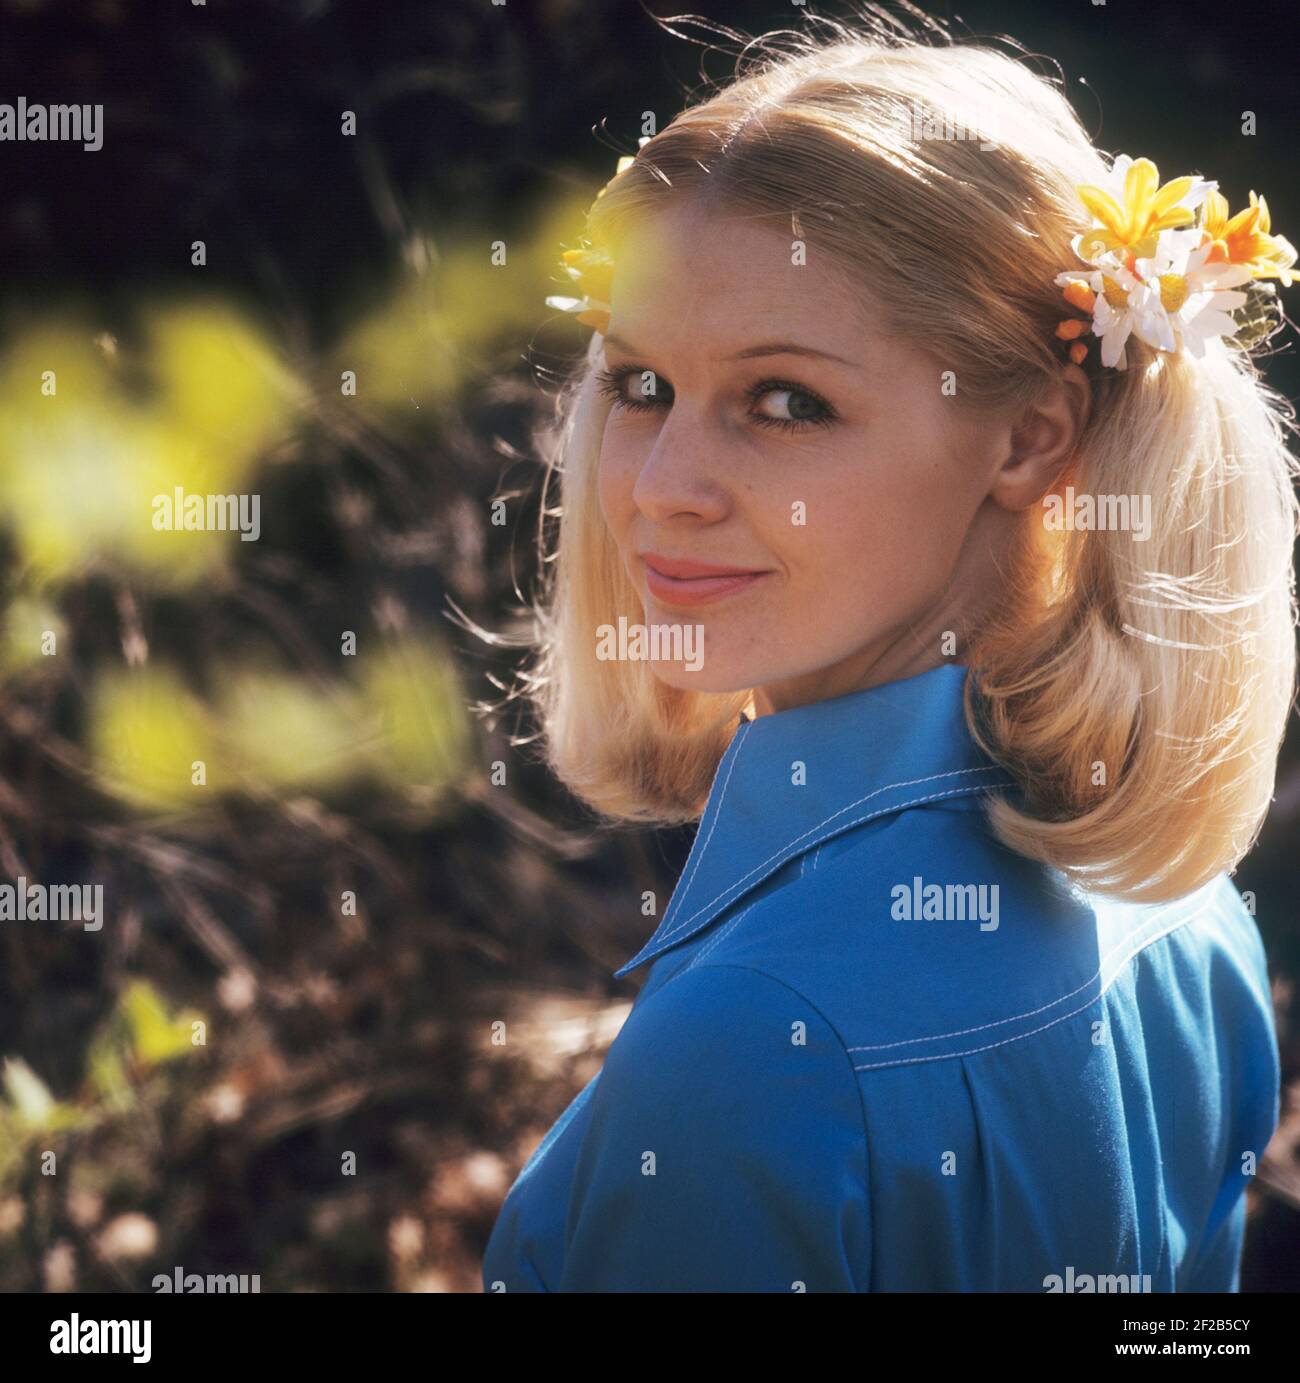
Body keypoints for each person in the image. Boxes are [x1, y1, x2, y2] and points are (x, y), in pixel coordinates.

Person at [481, 14, 1296, 1292]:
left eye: (786, 402)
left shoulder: (752, 1043)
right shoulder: (1184, 901)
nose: (661, 486)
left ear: (1030, 436)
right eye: (639, 385)